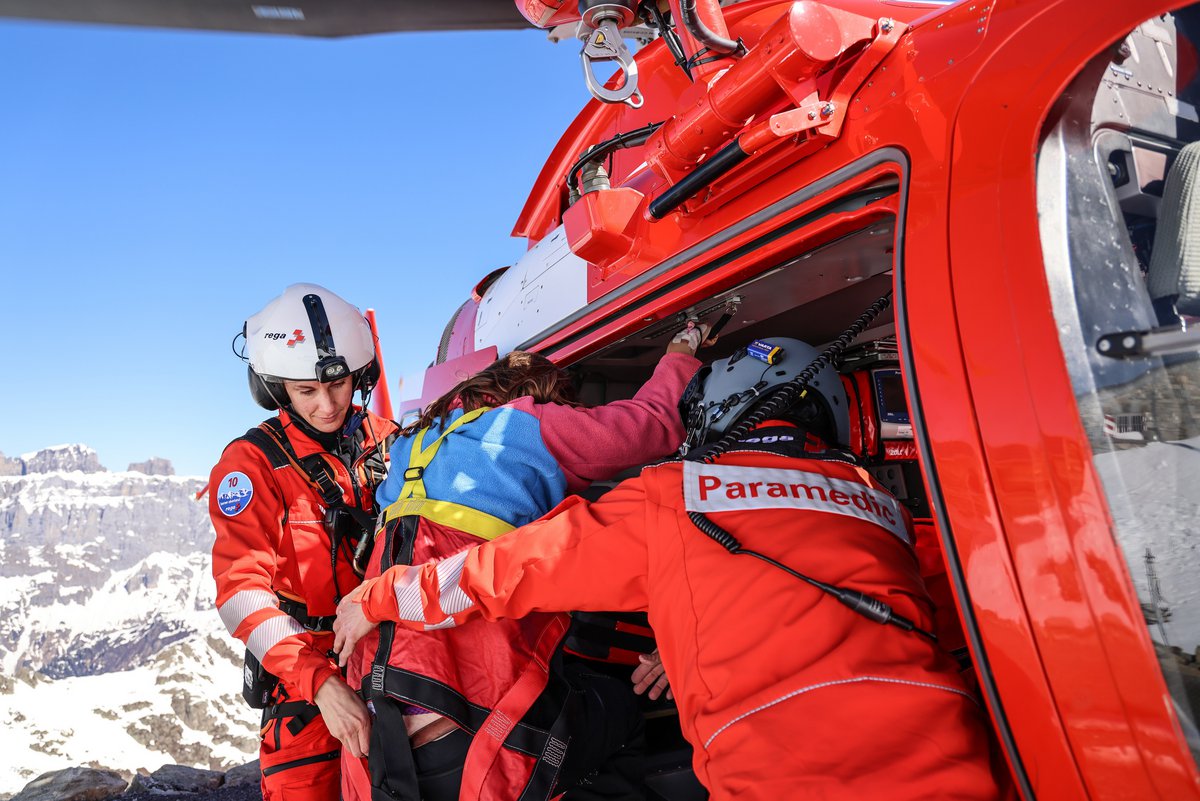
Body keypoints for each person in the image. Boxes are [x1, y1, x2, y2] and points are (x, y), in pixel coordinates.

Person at [333, 337, 1007, 801]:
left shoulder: (669, 498)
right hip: (957, 775)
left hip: (388, 719)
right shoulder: (889, 512)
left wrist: (381, 596)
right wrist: (679, 353)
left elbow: (514, 567)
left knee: (625, 724)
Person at [343, 329, 704, 801]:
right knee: (622, 712)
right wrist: (681, 353)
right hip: (470, 726)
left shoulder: (412, 449)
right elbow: (654, 424)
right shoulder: (525, 423)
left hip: (376, 731)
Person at [209, 283, 399, 801]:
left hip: (396, 661)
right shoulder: (251, 465)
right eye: (306, 391)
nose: (327, 405)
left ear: (360, 377)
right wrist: (320, 682)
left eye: (337, 386)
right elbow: (241, 594)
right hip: (306, 681)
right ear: (276, 391)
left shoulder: (394, 440)